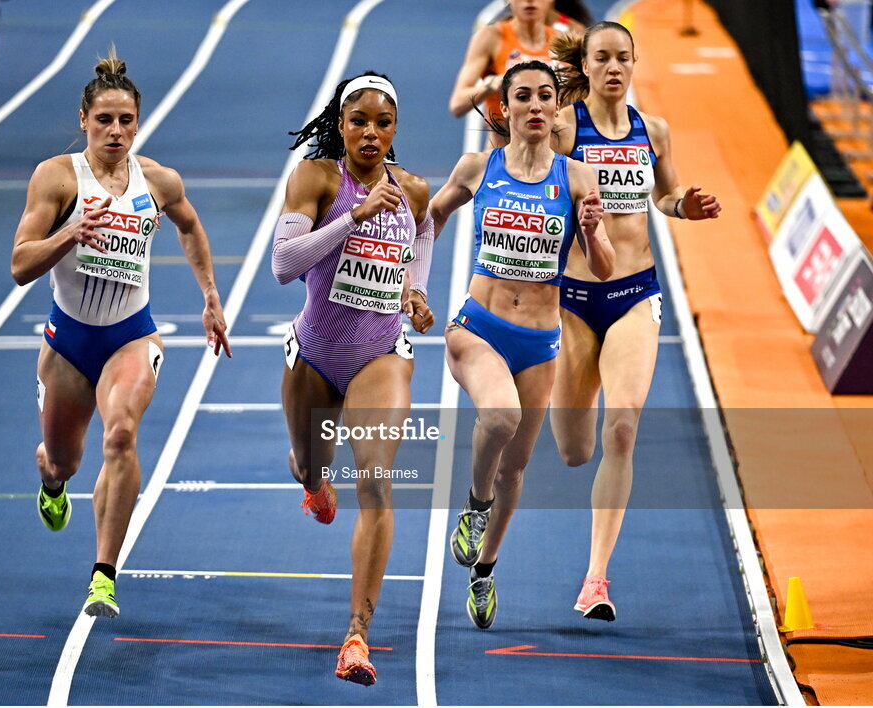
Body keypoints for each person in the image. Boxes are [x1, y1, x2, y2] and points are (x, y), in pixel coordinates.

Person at [9, 50, 231, 619]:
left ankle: (103, 575)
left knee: (122, 435)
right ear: (83, 119)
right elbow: (19, 265)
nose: (115, 131)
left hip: (132, 335)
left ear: (138, 122)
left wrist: (210, 296)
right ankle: (52, 483)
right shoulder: (57, 177)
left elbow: (190, 225)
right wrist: (70, 234)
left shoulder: (158, 179)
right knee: (63, 461)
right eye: (104, 119)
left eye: (126, 121)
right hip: (68, 342)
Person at [430, 60, 614, 629]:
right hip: (477, 329)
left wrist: (588, 230)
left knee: (516, 468)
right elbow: (429, 218)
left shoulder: (578, 178)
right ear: (505, 109)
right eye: (524, 98)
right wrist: (413, 288)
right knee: (501, 416)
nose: (537, 106)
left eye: (545, 98)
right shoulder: (477, 168)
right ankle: (474, 505)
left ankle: (483, 570)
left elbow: (604, 268)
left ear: (556, 110)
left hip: (540, 342)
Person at [549, 22, 721, 621]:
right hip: (571, 301)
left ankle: (595, 579)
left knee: (622, 429)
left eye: (624, 57)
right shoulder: (566, 127)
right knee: (573, 449)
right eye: (603, 58)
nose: (614, 67)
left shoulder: (655, 131)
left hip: (633, 294)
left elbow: (666, 195)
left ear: (634, 62)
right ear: (589, 66)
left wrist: (684, 207)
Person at [272, 72, 434, 684]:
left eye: (383, 123)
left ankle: (356, 638)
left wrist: (417, 294)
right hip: (313, 354)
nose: (371, 132)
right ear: (340, 125)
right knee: (310, 466)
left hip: (381, 354)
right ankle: (313, 482)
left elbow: (421, 243)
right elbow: (282, 265)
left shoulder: (413, 190)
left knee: (377, 483)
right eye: (359, 120)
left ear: (395, 131)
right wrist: (353, 217)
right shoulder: (315, 179)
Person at [449, 0, 584, 148]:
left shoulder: (566, 41)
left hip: (552, 154)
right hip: (502, 151)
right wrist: (490, 85)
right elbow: (458, 104)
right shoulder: (491, 37)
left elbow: (590, 100)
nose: (530, 1)